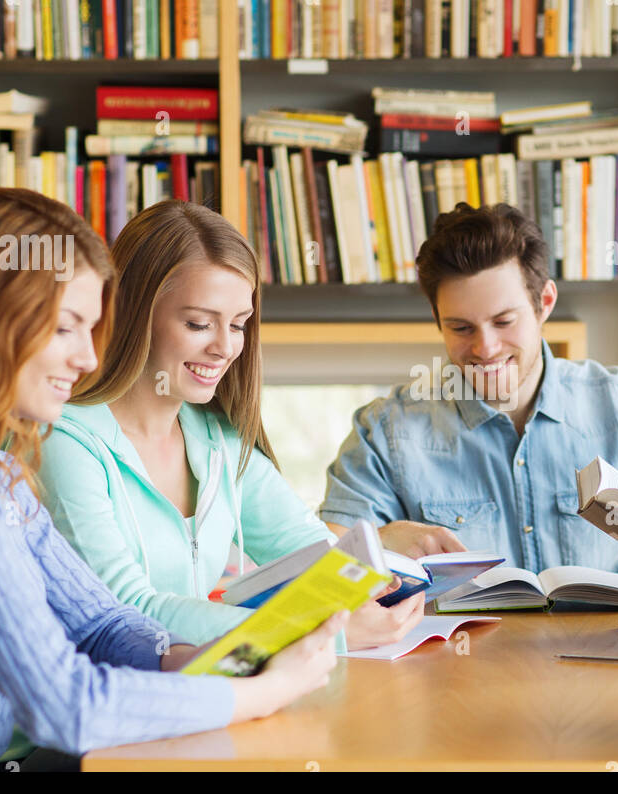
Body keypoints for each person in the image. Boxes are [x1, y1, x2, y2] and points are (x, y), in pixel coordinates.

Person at [0, 188, 345, 771]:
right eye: (67, 329)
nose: (89, 359)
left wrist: (217, 657)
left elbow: (100, 623)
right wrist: (259, 691)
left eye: (90, 330)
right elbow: (65, 703)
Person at [37, 200, 423, 648]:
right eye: (199, 323)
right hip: (104, 701)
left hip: (196, 691)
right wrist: (322, 633)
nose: (224, 348)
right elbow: (124, 611)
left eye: (238, 325)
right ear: (131, 312)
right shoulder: (64, 442)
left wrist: (375, 580)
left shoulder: (216, 436)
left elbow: (310, 550)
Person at [320, 202, 618, 574]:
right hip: (455, 668)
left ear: (544, 303)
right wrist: (384, 540)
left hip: (605, 664)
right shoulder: (385, 431)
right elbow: (326, 567)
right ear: (438, 320)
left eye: (504, 322)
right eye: (460, 327)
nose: (485, 348)